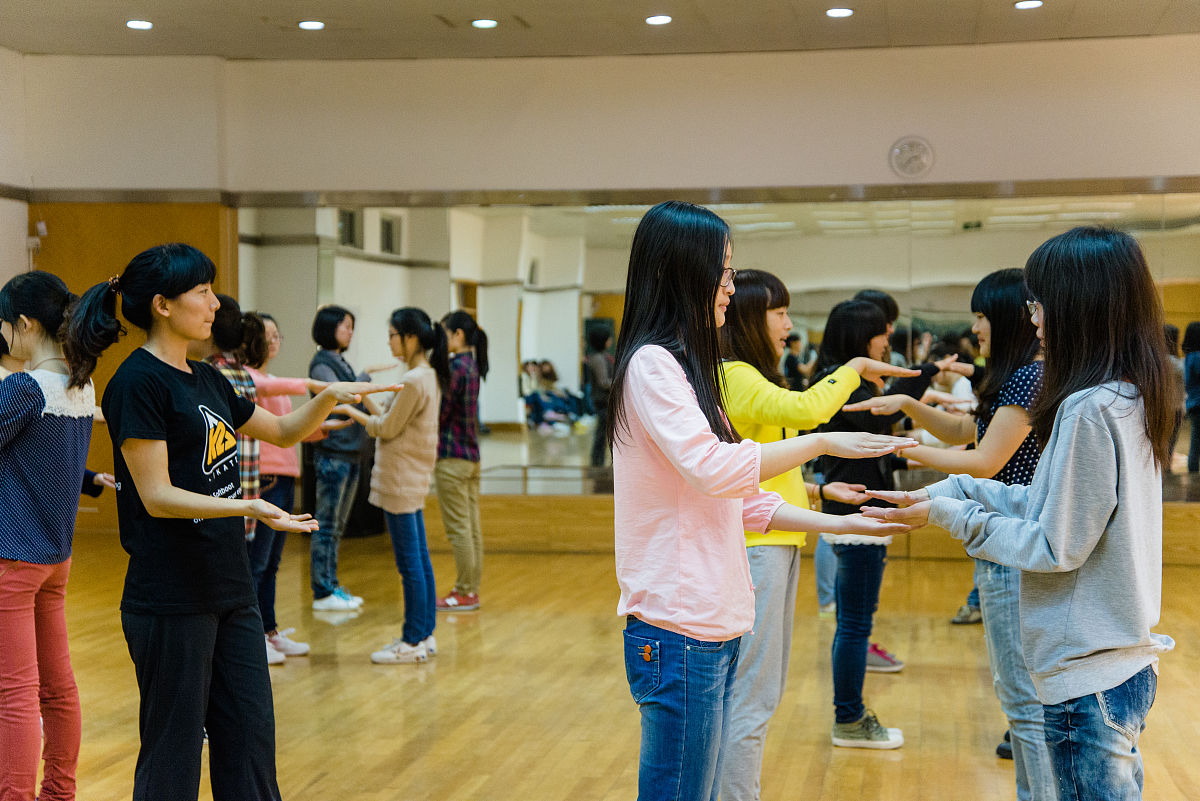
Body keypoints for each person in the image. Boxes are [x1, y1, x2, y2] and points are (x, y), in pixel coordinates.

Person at [611, 201, 916, 801]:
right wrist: (823, 440)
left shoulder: (690, 369)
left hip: (714, 620)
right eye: (723, 273)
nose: (730, 287)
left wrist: (851, 525)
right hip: (678, 624)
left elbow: (741, 502)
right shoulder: (652, 365)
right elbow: (714, 470)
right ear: (683, 272)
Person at [73, 242, 395, 801]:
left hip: (229, 588)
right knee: (172, 756)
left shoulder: (209, 378)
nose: (215, 303)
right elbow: (156, 496)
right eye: (201, 291)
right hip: (170, 596)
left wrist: (330, 396)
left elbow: (284, 431)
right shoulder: (137, 383)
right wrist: (245, 506)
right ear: (163, 305)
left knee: (248, 744)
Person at [864, 227, 1175, 801]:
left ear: (1079, 305)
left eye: (1040, 302)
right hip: (1114, 662)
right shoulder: (1128, 395)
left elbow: (1055, 545)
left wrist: (950, 514)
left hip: (1088, 672)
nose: (1033, 318)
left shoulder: (1088, 408)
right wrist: (950, 495)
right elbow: (1049, 503)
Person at [846, 268, 1054, 800]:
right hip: (1002, 539)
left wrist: (889, 447)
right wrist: (911, 407)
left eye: (981, 316)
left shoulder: (1030, 377)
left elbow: (983, 461)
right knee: (1022, 699)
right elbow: (969, 432)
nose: (974, 328)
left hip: (1010, 543)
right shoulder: (1018, 376)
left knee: (1023, 705)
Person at [715, 268, 919, 801]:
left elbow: (763, 471)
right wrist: (852, 368)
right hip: (758, 548)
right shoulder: (734, 374)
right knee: (751, 698)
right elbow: (804, 414)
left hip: (776, 539)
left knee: (758, 693)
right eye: (778, 313)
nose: (787, 324)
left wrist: (823, 493)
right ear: (747, 318)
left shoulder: (751, 374)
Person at [0, 271, 106, 801]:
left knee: (14, 695)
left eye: (6, 327)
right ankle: (58, 794)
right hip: (54, 560)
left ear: (23, 324)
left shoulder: (23, 388)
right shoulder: (80, 386)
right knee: (57, 689)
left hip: (12, 561)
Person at [811, 299, 936, 749]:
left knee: (854, 621)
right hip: (854, 513)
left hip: (854, 510)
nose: (887, 339)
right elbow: (884, 432)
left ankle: (849, 714)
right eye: (882, 333)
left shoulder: (845, 384)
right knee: (854, 626)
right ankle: (848, 718)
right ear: (861, 339)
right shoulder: (847, 390)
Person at [336, 308, 448, 664]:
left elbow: (385, 427)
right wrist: (363, 393)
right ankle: (424, 634)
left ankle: (413, 639)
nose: (389, 341)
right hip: (411, 478)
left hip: (401, 479)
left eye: (393, 334)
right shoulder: (424, 376)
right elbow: (387, 414)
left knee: (410, 564)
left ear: (410, 337)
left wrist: (345, 410)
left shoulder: (415, 379)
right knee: (419, 560)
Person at [245, 313, 334, 663]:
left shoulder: (270, 379)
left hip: (282, 476)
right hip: (264, 476)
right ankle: (253, 639)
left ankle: (269, 631)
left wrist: (340, 421)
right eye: (266, 335)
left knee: (271, 563)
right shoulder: (249, 379)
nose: (273, 341)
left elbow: (291, 428)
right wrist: (317, 387)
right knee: (257, 562)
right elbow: (274, 421)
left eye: (277, 334)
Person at [308, 304, 369, 611]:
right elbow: (333, 401)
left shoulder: (337, 361)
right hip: (333, 454)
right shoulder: (321, 364)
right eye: (345, 326)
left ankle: (331, 585)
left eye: (351, 326)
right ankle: (322, 590)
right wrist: (362, 382)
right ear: (329, 327)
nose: (350, 332)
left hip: (349, 452)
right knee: (327, 525)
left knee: (337, 526)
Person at [435, 309, 488, 611]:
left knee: (459, 529)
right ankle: (470, 589)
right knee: (471, 527)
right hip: (471, 457)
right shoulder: (473, 365)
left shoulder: (457, 367)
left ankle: (465, 591)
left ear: (457, 335)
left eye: (445, 333)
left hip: (452, 458)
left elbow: (442, 413)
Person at [586, 329, 614, 467]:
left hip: (604, 400)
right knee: (601, 433)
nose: (610, 340)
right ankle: (597, 462)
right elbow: (603, 381)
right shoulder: (597, 358)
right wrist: (621, 382)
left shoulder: (602, 356)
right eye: (608, 338)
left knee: (603, 432)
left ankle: (599, 460)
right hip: (602, 400)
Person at [1182, 322, 1200, 472]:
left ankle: (1193, 468)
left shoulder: (1189, 356)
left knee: (1195, 439)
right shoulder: (1197, 357)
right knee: (1196, 440)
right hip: (1198, 402)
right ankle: (1193, 469)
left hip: (1193, 402)